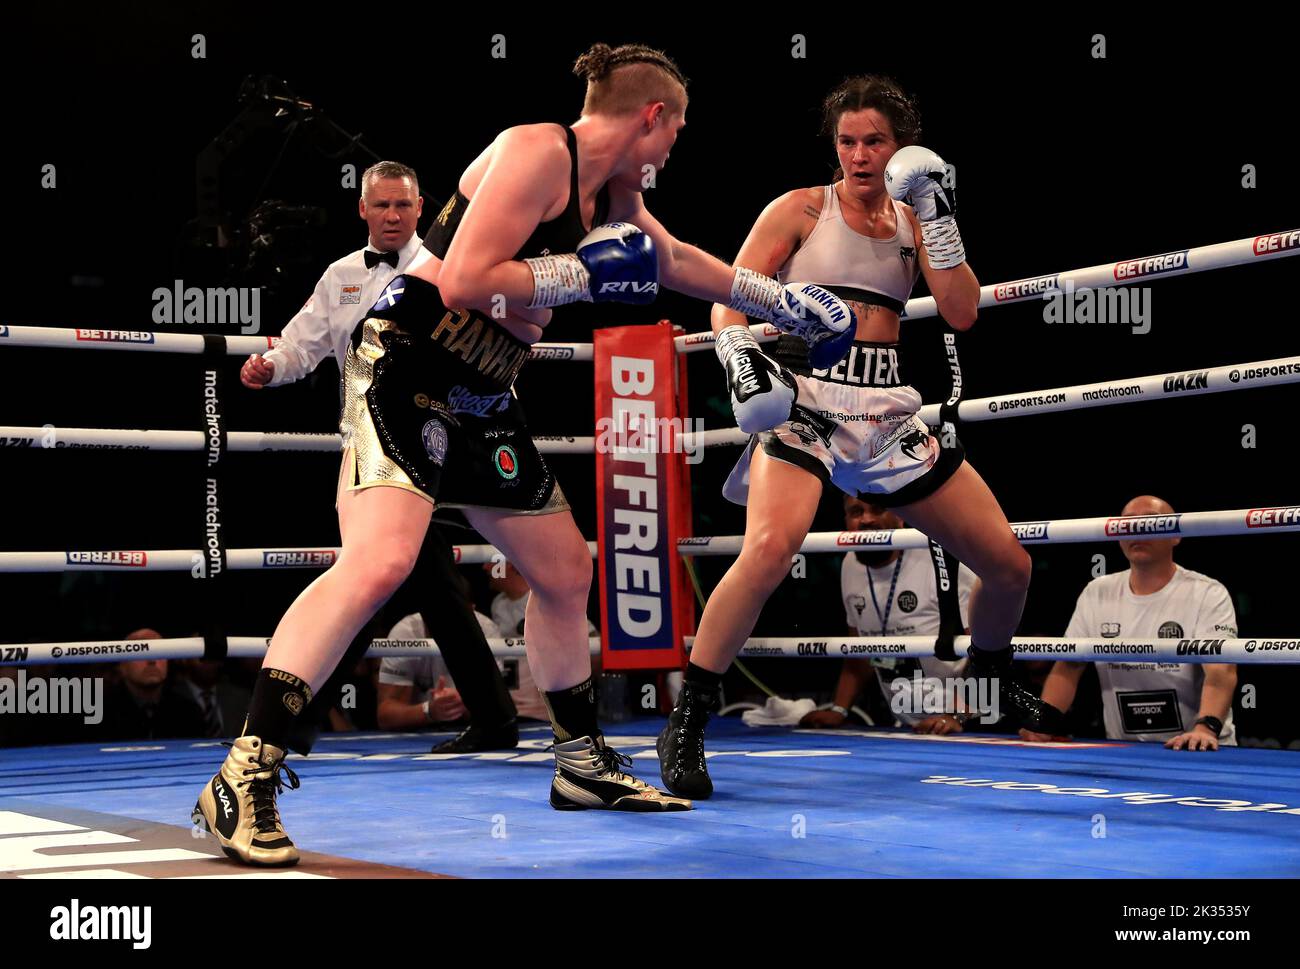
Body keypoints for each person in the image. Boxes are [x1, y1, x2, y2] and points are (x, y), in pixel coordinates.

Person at [194, 41, 858, 866]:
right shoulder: (534, 150)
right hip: (406, 366)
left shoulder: (611, 187)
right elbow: (469, 279)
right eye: (676, 131)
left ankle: (580, 759)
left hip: (484, 391)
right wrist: (579, 273)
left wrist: (777, 298)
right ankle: (244, 772)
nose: (673, 150)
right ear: (653, 115)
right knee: (378, 563)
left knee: (564, 572)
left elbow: (669, 259)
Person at [659, 74, 1064, 800]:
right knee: (770, 549)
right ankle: (687, 717)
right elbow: (731, 296)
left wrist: (939, 217)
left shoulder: (916, 219)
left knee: (1009, 565)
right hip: (806, 398)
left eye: (874, 139)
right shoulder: (800, 208)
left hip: (887, 413)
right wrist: (738, 354)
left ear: (900, 143)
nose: (860, 154)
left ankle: (988, 684)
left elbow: (963, 312)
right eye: (848, 140)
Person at [239, 160, 521, 756]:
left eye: (403, 206)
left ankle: (291, 722)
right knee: (421, 582)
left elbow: (491, 348)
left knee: (378, 580)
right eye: (382, 205)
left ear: (422, 210)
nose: (393, 216)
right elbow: (302, 344)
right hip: (371, 444)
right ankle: (493, 718)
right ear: (362, 210)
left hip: (444, 442)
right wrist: (271, 367)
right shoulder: (340, 276)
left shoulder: (450, 269)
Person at [1020, 495, 1239, 750]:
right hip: (1124, 750)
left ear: (1176, 534)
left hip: (1198, 747)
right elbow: (1068, 666)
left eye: (1149, 521)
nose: (1138, 528)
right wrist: (1045, 721)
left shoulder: (1207, 592)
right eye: (1128, 523)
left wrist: (1205, 727)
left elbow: (1221, 670)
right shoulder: (1097, 592)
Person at [800, 495, 975, 734]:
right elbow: (858, 651)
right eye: (856, 511)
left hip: (975, 721)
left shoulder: (943, 560)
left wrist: (958, 714)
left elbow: (987, 654)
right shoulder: (850, 563)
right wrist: (840, 709)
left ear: (901, 516)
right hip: (911, 725)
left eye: (878, 509)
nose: (867, 520)